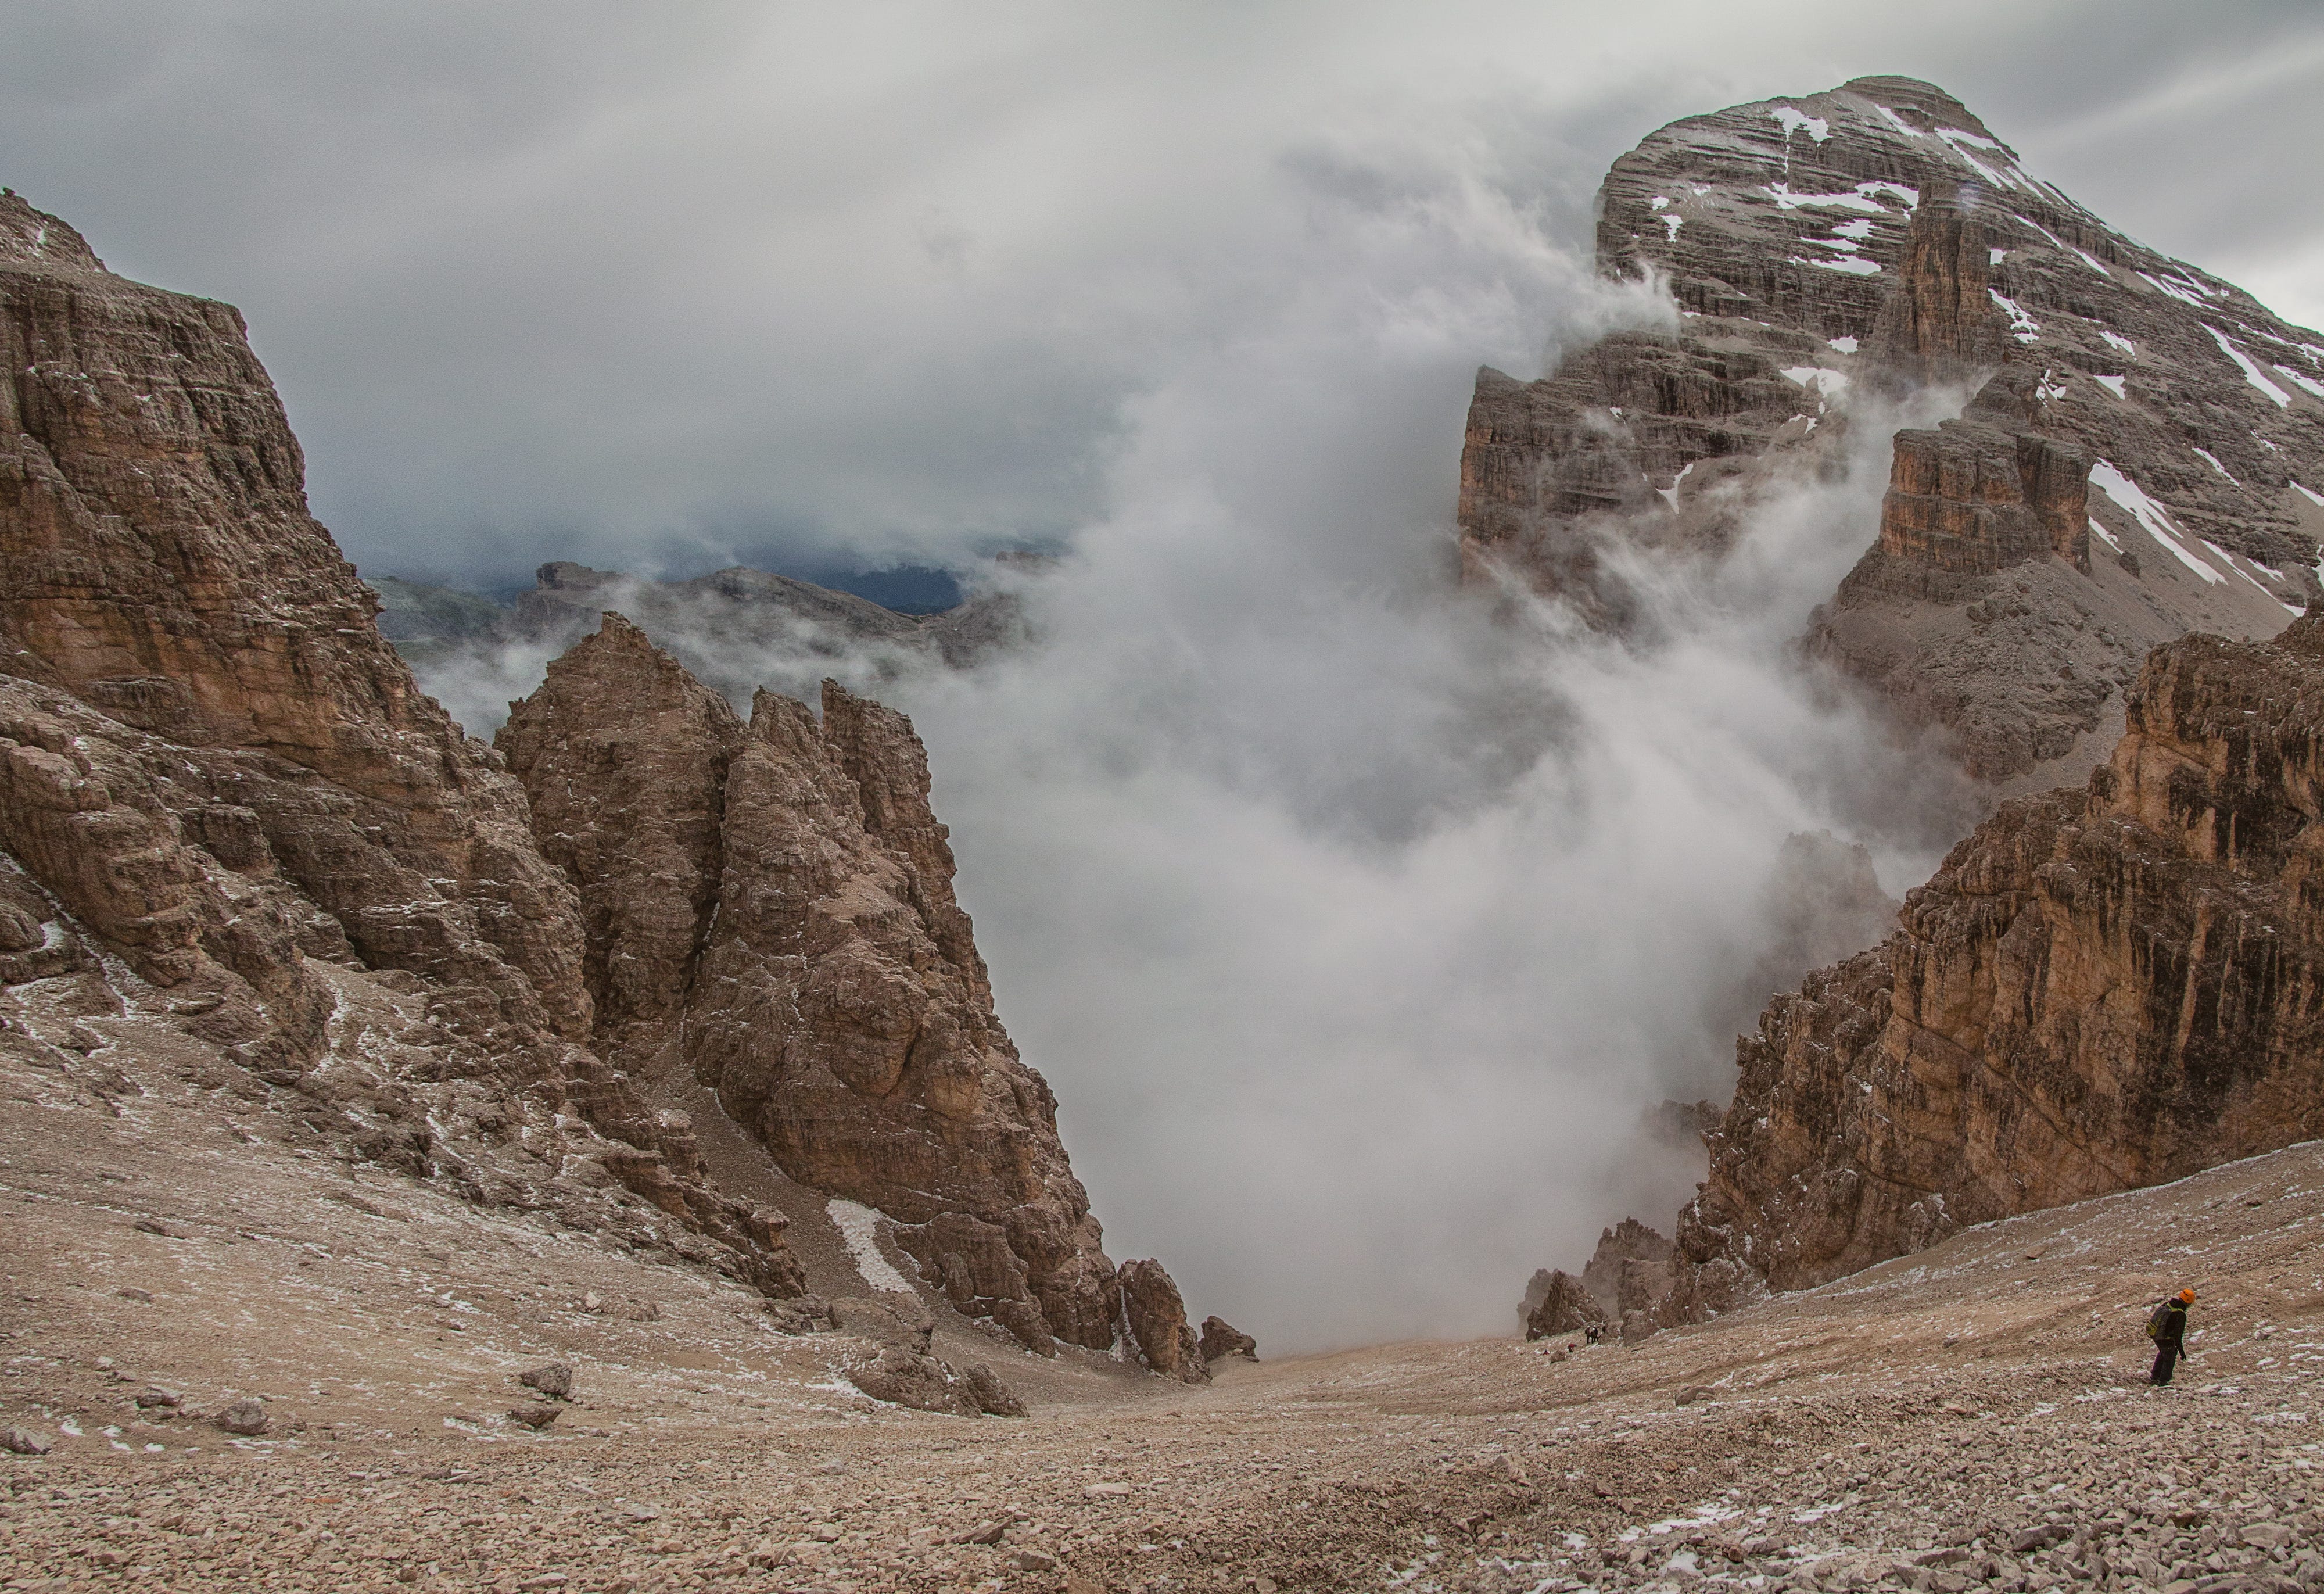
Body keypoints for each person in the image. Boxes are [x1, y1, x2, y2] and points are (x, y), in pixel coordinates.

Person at [2149, 1287, 2194, 1385]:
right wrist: (2182, 1352)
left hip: (2156, 1335)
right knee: (2169, 1358)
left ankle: (2154, 1377)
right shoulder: (2180, 1314)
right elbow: (2178, 1336)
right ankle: (2163, 1381)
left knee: (2163, 1353)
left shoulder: (2168, 1304)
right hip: (2166, 1339)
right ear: (2188, 1303)